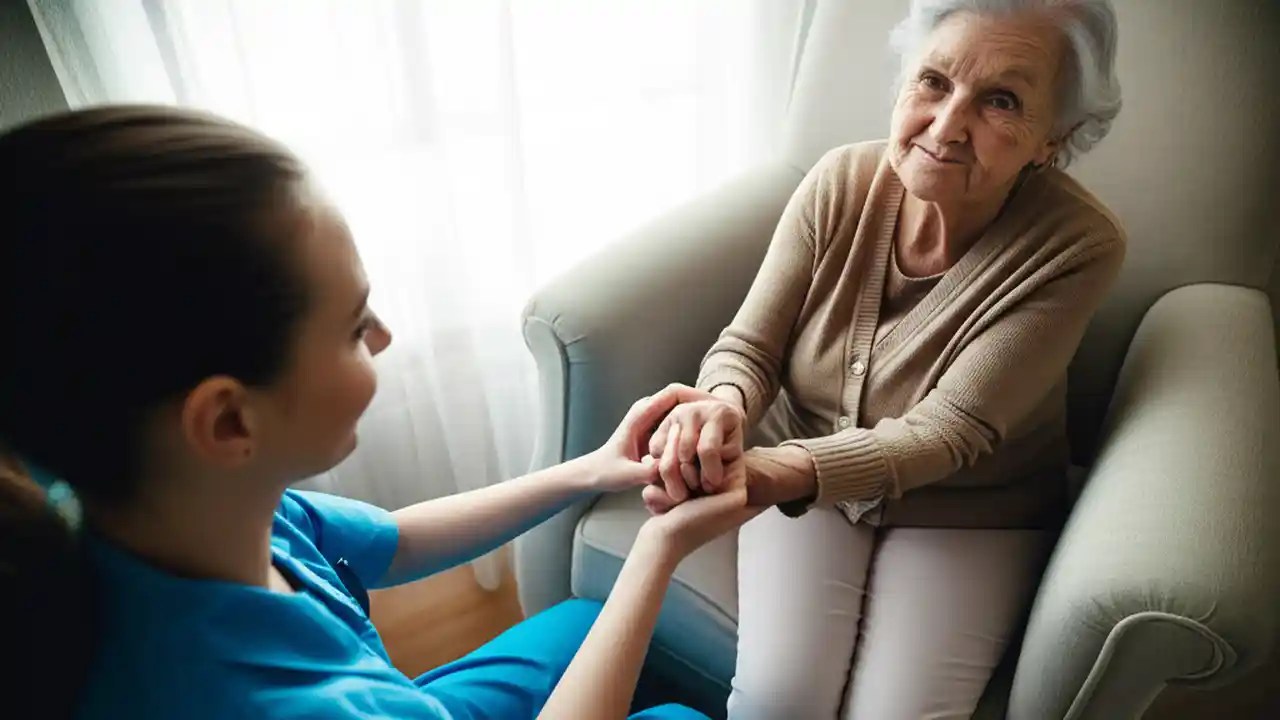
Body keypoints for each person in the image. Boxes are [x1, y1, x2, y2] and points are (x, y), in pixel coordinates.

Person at [0, 106, 759, 720]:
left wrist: (585, 471)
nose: (386, 337)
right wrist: (659, 549)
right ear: (229, 421)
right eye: (354, 326)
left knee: (585, 622)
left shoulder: (176, 506)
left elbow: (391, 544)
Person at [643, 0, 1125, 717]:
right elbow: (749, 347)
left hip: (971, 509)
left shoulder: (1078, 245)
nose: (948, 125)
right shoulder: (840, 180)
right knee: (777, 702)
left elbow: (950, 433)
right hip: (801, 480)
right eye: (934, 81)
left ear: (1053, 139)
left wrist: (776, 472)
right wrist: (723, 407)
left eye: (1000, 101)